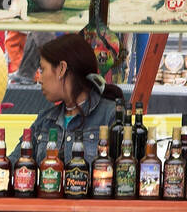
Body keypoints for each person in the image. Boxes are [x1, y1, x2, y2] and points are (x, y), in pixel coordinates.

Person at [7, 34, 119, 167]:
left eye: (42, 70)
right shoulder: (44, 120)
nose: (40, 79)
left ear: (61, 69)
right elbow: (12, 163)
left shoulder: (111, 116)